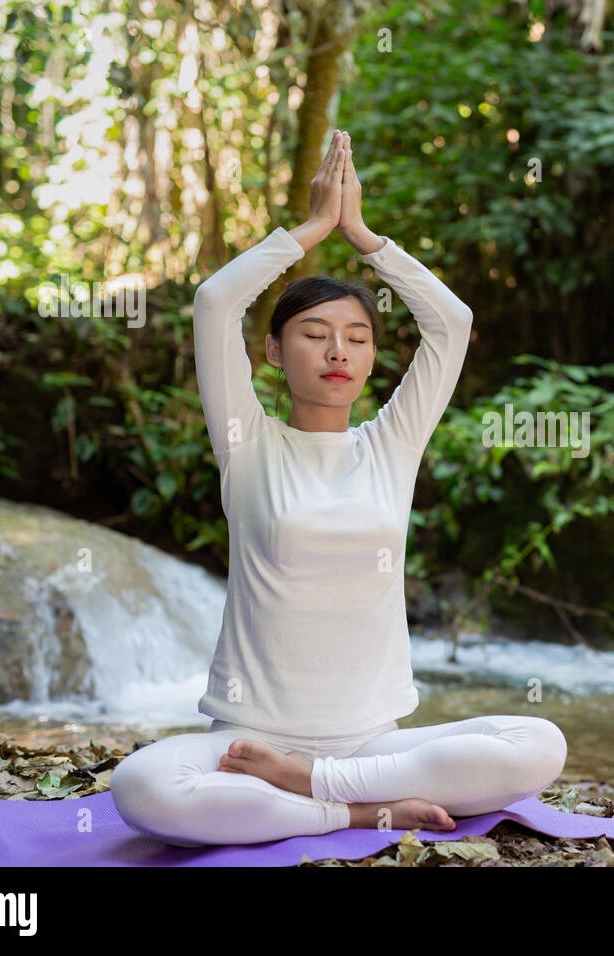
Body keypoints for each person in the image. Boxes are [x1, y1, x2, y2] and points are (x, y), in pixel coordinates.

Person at [110, 130, 567, 847]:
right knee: (142, 787)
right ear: (272, 351)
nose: (336, 351)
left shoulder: (391, 444)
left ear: (372, 358)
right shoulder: (247, 444)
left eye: (356, 337)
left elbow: (451, 323)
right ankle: (346, 814)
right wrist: (314, 229)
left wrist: (365, 238)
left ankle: (318, 789)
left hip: (370, 746)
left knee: (539, 742)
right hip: (248, 744)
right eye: (313, 333)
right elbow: (213, 302)